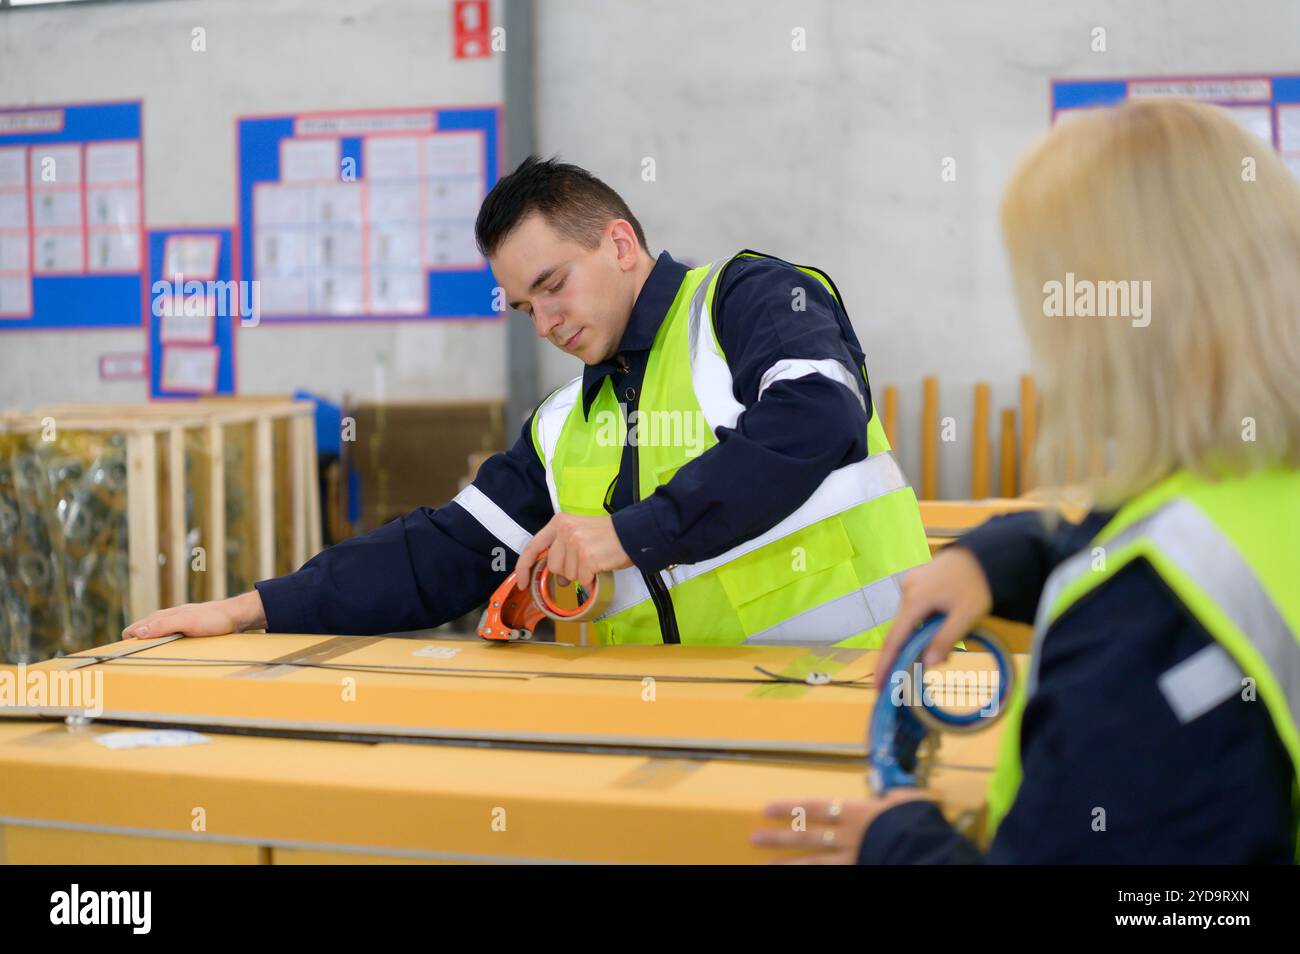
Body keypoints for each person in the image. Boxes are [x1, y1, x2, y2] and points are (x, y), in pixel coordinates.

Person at [754, 99, 1300, 862]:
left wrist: (899, 841)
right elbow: (1179, 532)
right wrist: (999, 558)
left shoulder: (1138, 635)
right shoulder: (1257, 479)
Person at [124, 157, 929, 647]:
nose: (544, 323)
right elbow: (439, 553)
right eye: (523, 307)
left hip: (855, 703)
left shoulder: (749, 301)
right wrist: (248, 610)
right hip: (681, 739)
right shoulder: (560, 426)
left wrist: (629, 533)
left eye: (552, 286)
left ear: (618, 243)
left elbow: (817, 419)